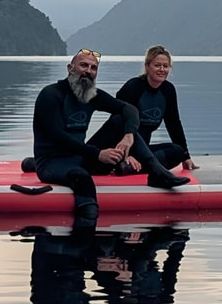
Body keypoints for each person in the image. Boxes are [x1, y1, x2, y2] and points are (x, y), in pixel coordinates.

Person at [32, 49, 190, 218]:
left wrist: (129, 135)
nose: (88, 71)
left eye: (93, 68)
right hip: (52, 162)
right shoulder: (50, 95)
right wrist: (98, 153)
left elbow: (128, 108)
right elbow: (58, 137)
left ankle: (156, 172)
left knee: (120, 121)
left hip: (80, 157)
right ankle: (86, 227)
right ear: (70, 68)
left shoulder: (91, 95)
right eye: (84, 65)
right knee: (82, 178)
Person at [95, 45, 198, 174]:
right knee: (120, 120)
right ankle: (128, 163)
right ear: (147, 66)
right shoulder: (133, 87)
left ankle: (130, 167)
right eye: (157, 65)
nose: (162, 69)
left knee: (177, 151)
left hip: (142, 151)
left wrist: (186, 156)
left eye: (165, 66)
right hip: (118, 146)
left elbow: (174, 124)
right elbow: (117, 122)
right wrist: (128, 154)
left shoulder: (168, 90)